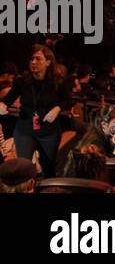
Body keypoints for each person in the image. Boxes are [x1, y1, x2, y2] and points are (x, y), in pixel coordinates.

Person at [0, 45, 72, 176]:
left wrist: (57, 108)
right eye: (32, 59)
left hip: (48, 130)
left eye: (38, 59)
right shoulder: (21, 81)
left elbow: (68, 100)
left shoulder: (58, 82)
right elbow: (8, 99)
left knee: (48, 167)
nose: (33, 62)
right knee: (24, 166)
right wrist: (3, 105)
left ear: (48, 62)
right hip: (25, 128)